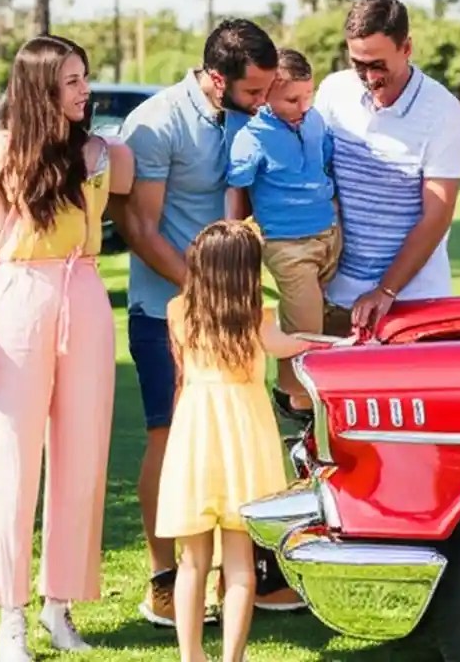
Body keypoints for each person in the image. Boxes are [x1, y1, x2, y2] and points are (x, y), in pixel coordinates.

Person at [113, 17, 303, 626]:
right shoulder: (156, 123)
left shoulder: (251, 114)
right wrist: (209, 292)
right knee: (171, 439)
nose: (262, 102)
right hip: (166, 308)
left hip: (237, 308)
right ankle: (166, 580)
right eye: (253, 92)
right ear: (217, 79)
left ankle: (243, 576)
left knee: (238, 435)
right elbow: (138, 228)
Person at [0, 35, 134, 660]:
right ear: (41, 89)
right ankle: (12, 615)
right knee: (13, 462)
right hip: (17, 299)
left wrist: (99, 148)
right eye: (72, 81)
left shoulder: (97, 153)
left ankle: (58, 605)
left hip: (82, 294)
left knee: (82, 458)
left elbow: (128, 180)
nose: (85, 90)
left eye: (85, 78)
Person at [155, 220, 325, 662]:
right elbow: (289, 346)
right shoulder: (258, 319)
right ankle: (232, 658)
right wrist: (329, 342)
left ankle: (191, 656)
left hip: (195, 436)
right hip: (245, 440)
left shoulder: (178, 313)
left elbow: (180, 380)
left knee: (192, 560)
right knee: (240, 564)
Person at [312, 0, 460, 338]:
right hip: (334, 297)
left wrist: (386, 291)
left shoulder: (442, 111)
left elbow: (437, 215)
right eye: (357, 63)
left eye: (378, 64)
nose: (367, 76)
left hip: (412, 303)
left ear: (407, 47)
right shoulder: (334, 91)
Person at [226, 48, 340, 417]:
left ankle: (317, 395)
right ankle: (298, 401)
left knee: (329, 320)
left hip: (329, 235)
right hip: (288, 244)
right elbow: (236, 187)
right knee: (305, 327)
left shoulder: (314, 121)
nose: (303, 106)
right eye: (293, 99)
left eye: (309, 96)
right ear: (267, 94)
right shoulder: (253, 136)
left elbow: (324, 165)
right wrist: (232, 235)